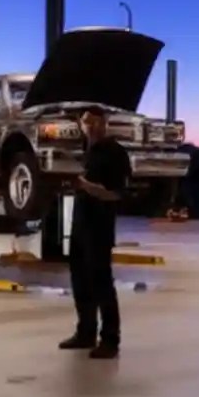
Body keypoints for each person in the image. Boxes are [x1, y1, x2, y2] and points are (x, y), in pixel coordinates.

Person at [59, 106, 130, 359]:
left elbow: (114, 193)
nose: (92, 126)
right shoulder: (85, 151)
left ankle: (110, 339)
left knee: (101, 282)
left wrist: (84, 185)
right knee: (80, 280)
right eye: (87, 122)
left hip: (100, 225)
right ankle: (85, 332)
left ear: (106, 124)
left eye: (97, 122)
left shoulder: (115, 153)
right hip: (80, 224)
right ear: (81, 124)